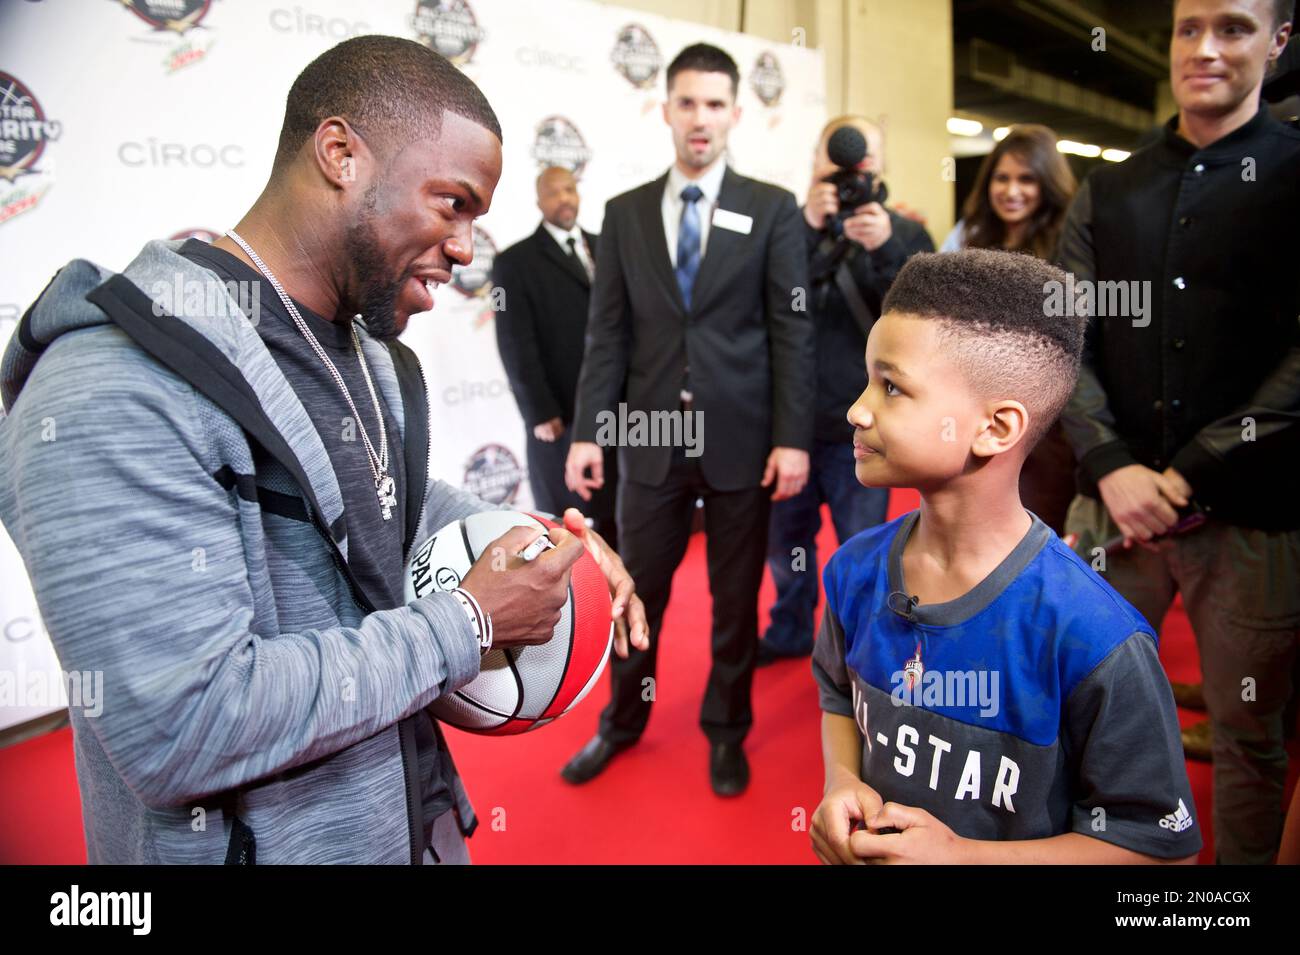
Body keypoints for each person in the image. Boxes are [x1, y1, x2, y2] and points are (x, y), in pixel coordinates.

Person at [0, 36, 646, 865]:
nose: (464, 247)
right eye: (452, 203)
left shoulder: (359, 348)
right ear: (340, 153)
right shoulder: (110, 385)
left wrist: (550, 547)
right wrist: (469, 620)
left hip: (412, 822)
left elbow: (389, 507)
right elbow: (181, 726)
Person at [809, 250, 1201, 864]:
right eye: (866, 381)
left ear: (995, 428)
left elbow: (1158, 849)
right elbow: (837, 694)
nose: (858, 409)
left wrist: (966, 859)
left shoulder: (1096, 636)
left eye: (890, 386)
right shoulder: (852, 569)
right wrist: (842, 780)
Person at [1057, 0, 1298, 863]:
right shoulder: (1110, 186)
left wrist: (1192, 467)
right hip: (1107, 510)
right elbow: (1063, 333)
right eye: (1188, 28)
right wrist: (1112, 461)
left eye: (1232, 28)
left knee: (1247, 734)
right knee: (1083, 714)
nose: (1204, 49)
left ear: (1278, 41)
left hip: (1253, 512)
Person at [561, 43, 814, 796]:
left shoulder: (773, 208)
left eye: (714, 104)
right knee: (637, 589)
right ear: (665, 109)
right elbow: (607, 336)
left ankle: (726, 730)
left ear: (736, 113)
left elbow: (791, 330)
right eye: (687, 103)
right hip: (649, 435)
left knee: (736, 598)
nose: (700, 119)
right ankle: (621, 720)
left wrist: (792, 436)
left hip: (741, 433)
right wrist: (587, 430)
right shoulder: (625, 213)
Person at [757, 115, 933, 667]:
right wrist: (808, 231)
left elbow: (925, 323)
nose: (848, 172)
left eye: (862, 160)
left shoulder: (906, 233)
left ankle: (865, 642)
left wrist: (885, 251)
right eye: (834, 161)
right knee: (786, 544)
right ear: (815, 162)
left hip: (868, 427)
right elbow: (767, 306)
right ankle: (789, 626)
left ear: (879, 167)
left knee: (867, 547)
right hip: (790, 425)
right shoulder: (786, 226)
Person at [940, 124, 1078, 535]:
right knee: (969, 528)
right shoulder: (968, 236)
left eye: (1026, 179)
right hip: (971, 411)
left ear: (1048, 184)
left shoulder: (1069, 243)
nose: (1011, 190)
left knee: (1032, 533)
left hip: (1047, 424)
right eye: (1002, 177)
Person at [493, 166, 617, 549]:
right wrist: (538, 411)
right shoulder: (514, 262)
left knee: (619, 514)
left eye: (569, 189)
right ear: (538, 202)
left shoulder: (609, 247)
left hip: (616, 411)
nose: (564, 198)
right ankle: (578, 606)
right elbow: (514, 342)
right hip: (558, 417)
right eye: (553, 192)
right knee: (565, 526)